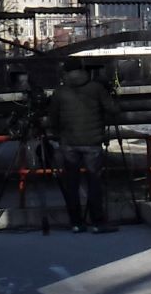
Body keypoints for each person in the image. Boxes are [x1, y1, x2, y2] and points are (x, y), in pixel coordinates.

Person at [48, 61, 121, 233]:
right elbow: (113, 110)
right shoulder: (96, 88)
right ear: (82, 70)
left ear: (65, 73)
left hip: (69, 143)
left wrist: (59, 135)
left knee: (71, 184)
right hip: (92, 142)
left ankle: (76, 222)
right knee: (94, 182)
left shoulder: (60, 92)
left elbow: (53, 118)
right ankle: (97, 222)